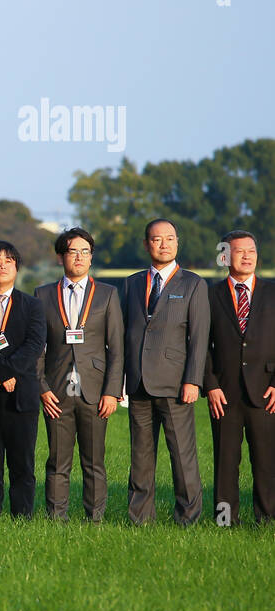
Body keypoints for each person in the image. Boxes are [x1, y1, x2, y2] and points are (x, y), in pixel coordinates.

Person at [123, 218, 209, 526]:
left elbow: (199, 338)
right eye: (157, 239)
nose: (164, 244)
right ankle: (140, 518)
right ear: (146, 244)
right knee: (140, 457)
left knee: (182, 457)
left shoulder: (193, 283)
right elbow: (126, 333)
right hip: (138, 383)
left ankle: (188, 518)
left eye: (169, 239)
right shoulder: (132, 283)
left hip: (175, 385)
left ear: (177, 243)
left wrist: (193, 380)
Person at [34, 227, 123, 522]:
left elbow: (116, 348)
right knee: (58, 460)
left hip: (95, 390)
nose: (80, 257)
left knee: (94, 460)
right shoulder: (43, 294)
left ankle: (94, 518)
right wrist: (42, 387)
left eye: (86, 252)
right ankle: (56, 517)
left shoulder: (108, 295)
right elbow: (38, 348)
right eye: (73, 251)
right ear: (61, 256)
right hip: (56, 390)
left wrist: (112, 391)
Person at [203, 229, 275, 525]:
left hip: (266, 392)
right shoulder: (210, 295)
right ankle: (225, 521)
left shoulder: (272, 293)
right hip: (224, 393)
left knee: (267, 461)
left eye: (251, 251)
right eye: (239, 251)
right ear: (225, 256)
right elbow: (200, 344)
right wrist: (210, 385)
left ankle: (268, 519)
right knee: (225, 461)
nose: (247, 256)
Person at [0, 240, 46, 518]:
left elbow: (34, 344)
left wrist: (6, 372)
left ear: (17, 267)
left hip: (22, 396)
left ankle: (22, 518)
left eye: (8, 260)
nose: (2, 265)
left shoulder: (32, 306)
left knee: (22, 464)